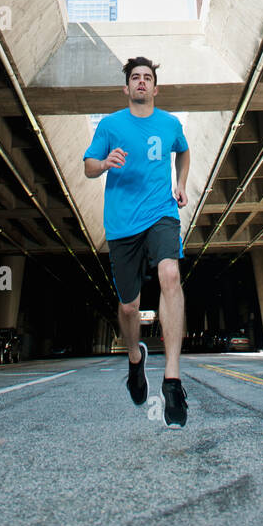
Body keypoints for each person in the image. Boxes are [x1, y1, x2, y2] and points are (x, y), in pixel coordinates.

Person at [83, 56, 190, 427]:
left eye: (147, 78)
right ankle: (134, 357)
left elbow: (184, 150)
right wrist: (105, 162)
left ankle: (173, 380)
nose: (141, 82)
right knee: (129, 308)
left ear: (155, 88)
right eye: (135, 78)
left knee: (170, 277)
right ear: (126, 88)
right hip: (122, 224)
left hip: (162, 213)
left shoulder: (170, 123)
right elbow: (87, 165)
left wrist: (180, 183)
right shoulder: (111, 125)